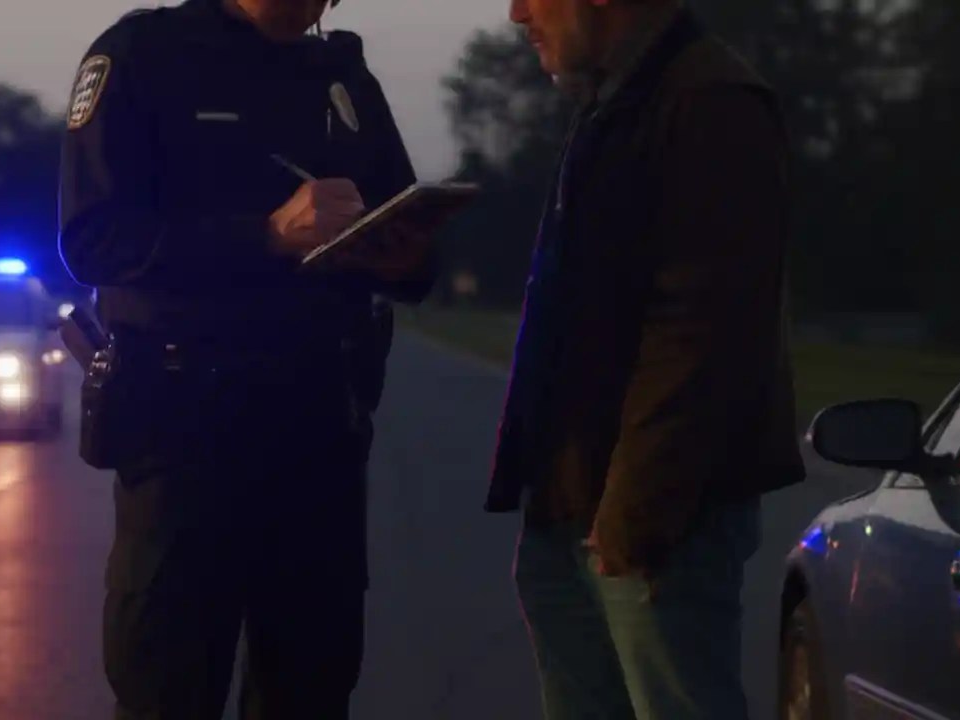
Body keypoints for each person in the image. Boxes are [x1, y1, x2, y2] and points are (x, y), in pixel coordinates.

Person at [57, 0, 435, 717]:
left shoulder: (342, 75)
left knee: (312, 689)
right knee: (164, 690)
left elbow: (402, 229)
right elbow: (93, 238)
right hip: (183, 437)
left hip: (319, 436)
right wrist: (262, 235)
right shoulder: (144, 56)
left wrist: (409, 256)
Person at [486, 0, 807, 718]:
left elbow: (702, 329)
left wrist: (634, 517)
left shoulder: (709, 100)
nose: (515, 13)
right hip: (576, 507)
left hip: (650, 526)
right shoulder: (616, 99)